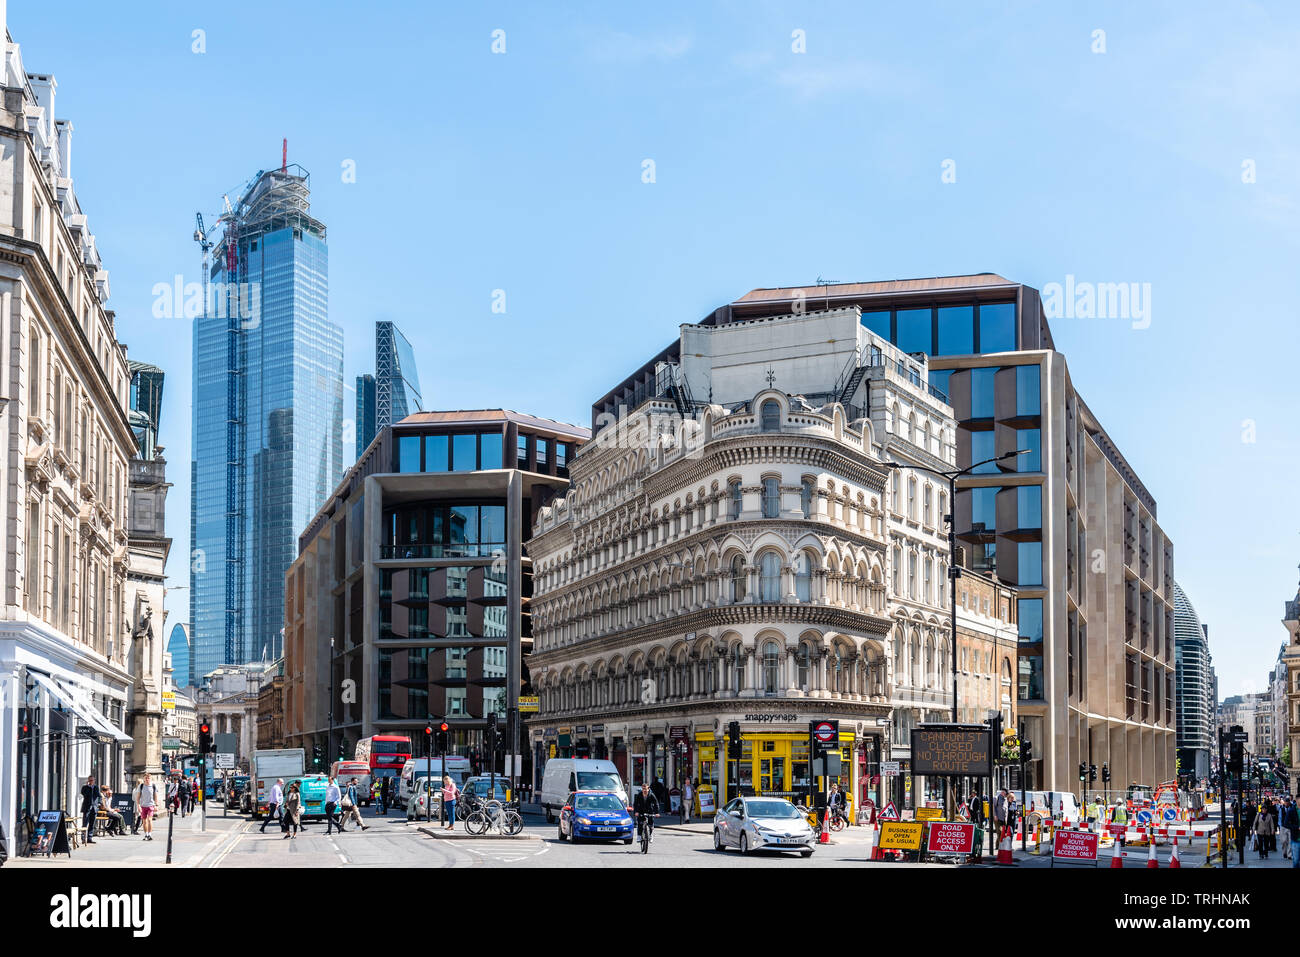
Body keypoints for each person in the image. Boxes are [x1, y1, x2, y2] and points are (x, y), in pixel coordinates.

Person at [134, 773, 157, 841]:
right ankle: (146, 834)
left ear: (150, 779)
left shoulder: (153, 786)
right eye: (146, 778)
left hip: (151, 805)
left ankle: (150, 834)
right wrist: (138, 805)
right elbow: (138, 797)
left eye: (148, 778)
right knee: (144, 821)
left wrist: (156, 805)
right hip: (143, 806)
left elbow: (155, 796)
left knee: (149, 820)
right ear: (144, 779)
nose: (147, 779)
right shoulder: (141, 786)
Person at [79, 775, 100, 844]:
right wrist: (89, 787)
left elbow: (98, 795)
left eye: (92, 780)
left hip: (94, 808)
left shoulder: (96, 787)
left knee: (92, 824)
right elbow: (84, 794)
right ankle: (83, 838)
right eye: (90, 780)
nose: (91, 782)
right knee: (85, 824)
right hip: (87, 808)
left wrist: (99, 804)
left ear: (94, 781)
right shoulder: (85, 787)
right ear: (88, 781)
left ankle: (89, 838)